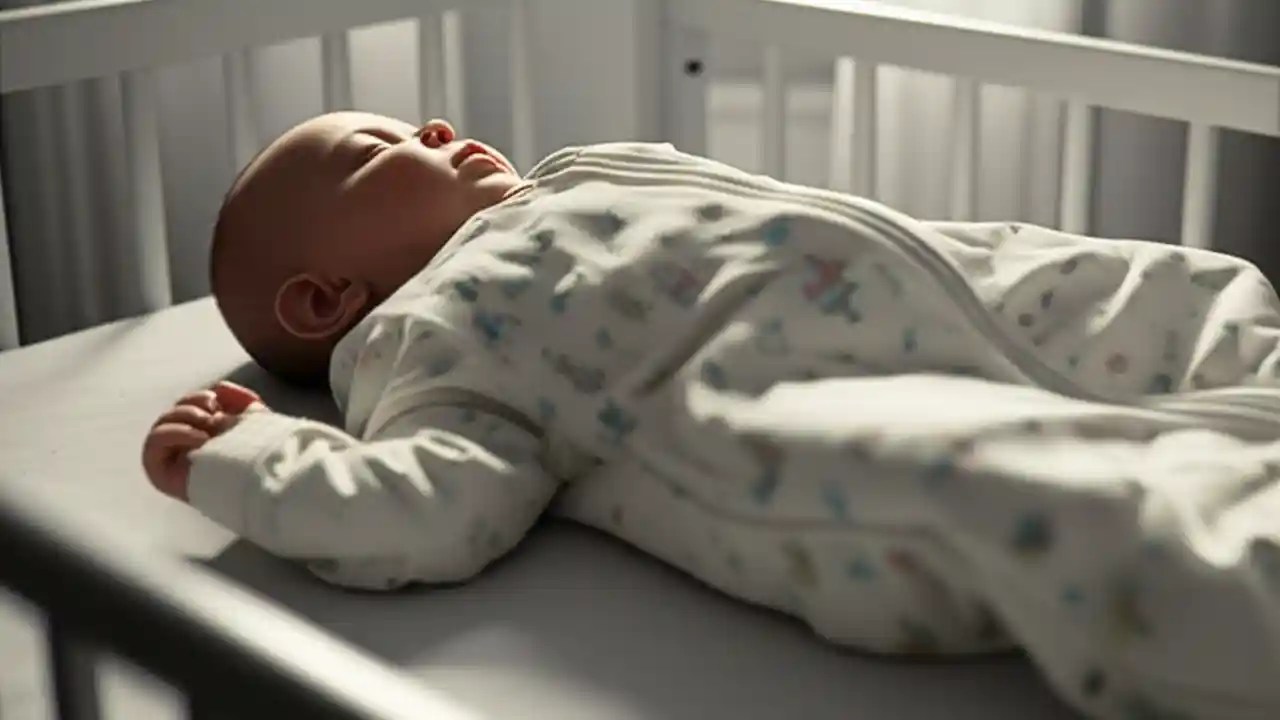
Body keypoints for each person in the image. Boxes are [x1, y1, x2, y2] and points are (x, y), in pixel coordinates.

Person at [143, 111, 1280, 720]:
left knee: (1188, 284)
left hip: (952, 284)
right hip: (820, 404)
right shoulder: (432, 341)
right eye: (383, 147)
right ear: (325, 298)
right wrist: (248, 453)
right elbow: (420, 511)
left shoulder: (573, 173)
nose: (438, 125)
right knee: (1054, 513)